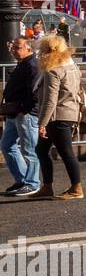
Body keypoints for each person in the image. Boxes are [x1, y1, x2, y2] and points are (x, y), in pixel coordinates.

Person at [34, 34, 84, 200]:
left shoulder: (53, 70)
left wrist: (42, 123)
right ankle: (47, 186)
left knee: (66, 152)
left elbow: (50, 101)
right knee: (41, 150)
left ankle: (76, 188)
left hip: (57, 116)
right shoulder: (72, 66)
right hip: (70, 112)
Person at [1, 37, 43, 197]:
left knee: (29, 149)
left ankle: (32, 183)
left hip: (25, 114)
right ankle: (22, 179)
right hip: (15, 112)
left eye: (17, 47)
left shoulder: (32, 65)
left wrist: (23, 109)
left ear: (29, 49)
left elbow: (34, 92)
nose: (13, 50)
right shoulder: (24, 64)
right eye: (13, 47)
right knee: (7, 145)